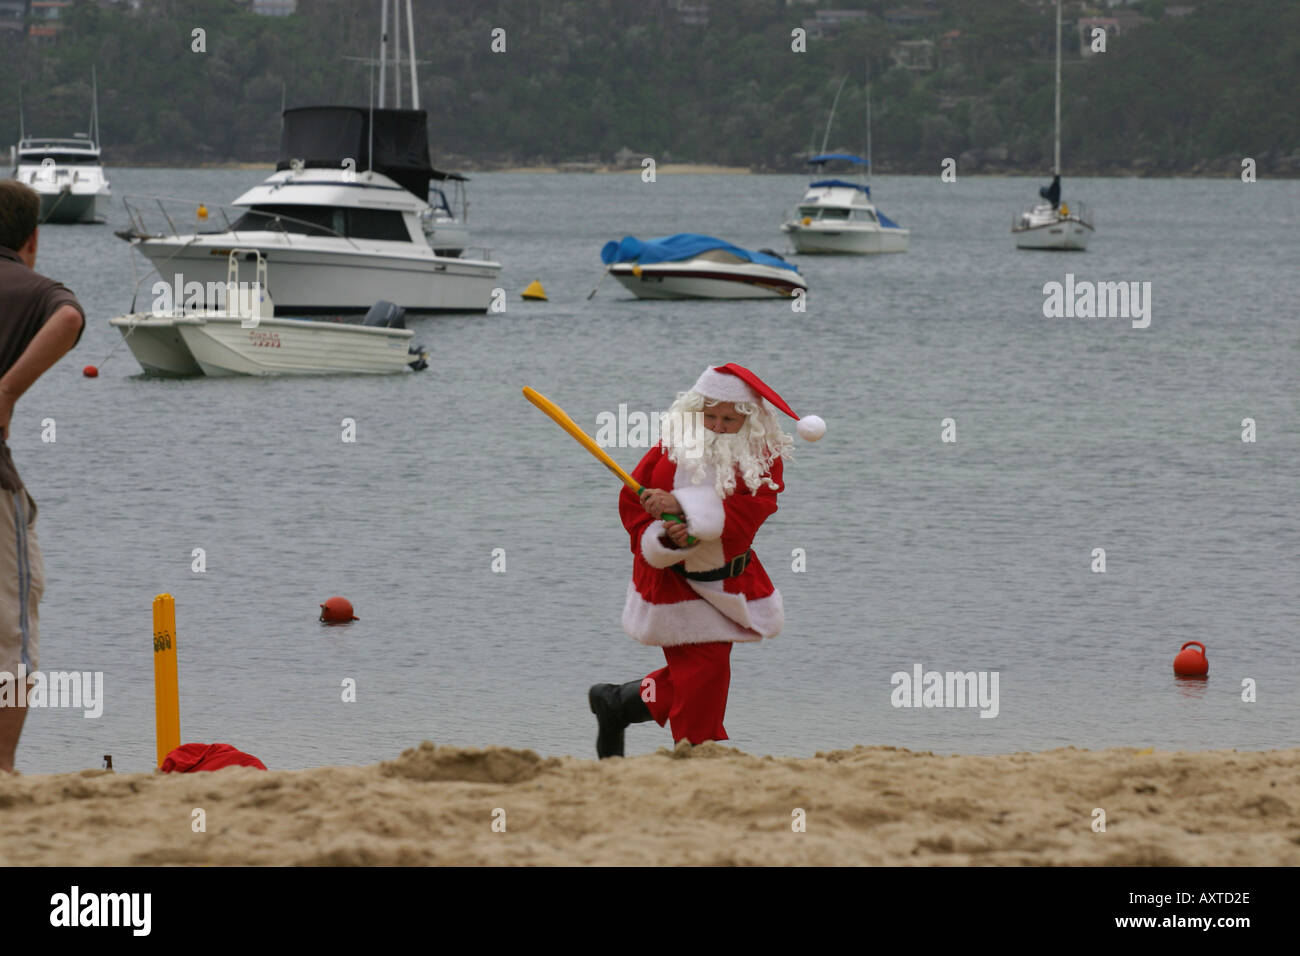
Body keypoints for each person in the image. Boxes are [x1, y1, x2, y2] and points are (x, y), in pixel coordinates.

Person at [589, 363, 824, 758]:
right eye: (709, 415)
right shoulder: (670, 448)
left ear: (749, 419)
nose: (717, 425)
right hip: (672, 577)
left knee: (696, 672)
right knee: (705, 668)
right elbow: (632, 502)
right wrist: (665, 533)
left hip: (727, 577)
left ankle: (617, 704)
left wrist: (684, 511)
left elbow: (753, 513)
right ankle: (696, 751)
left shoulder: (762, 457)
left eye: (729, 419)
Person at [0, 181, 86, 772]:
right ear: (32, 239)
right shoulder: (32, 287)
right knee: (11, 637)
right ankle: (2, 771)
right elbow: (70, 317)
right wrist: (8, 389)